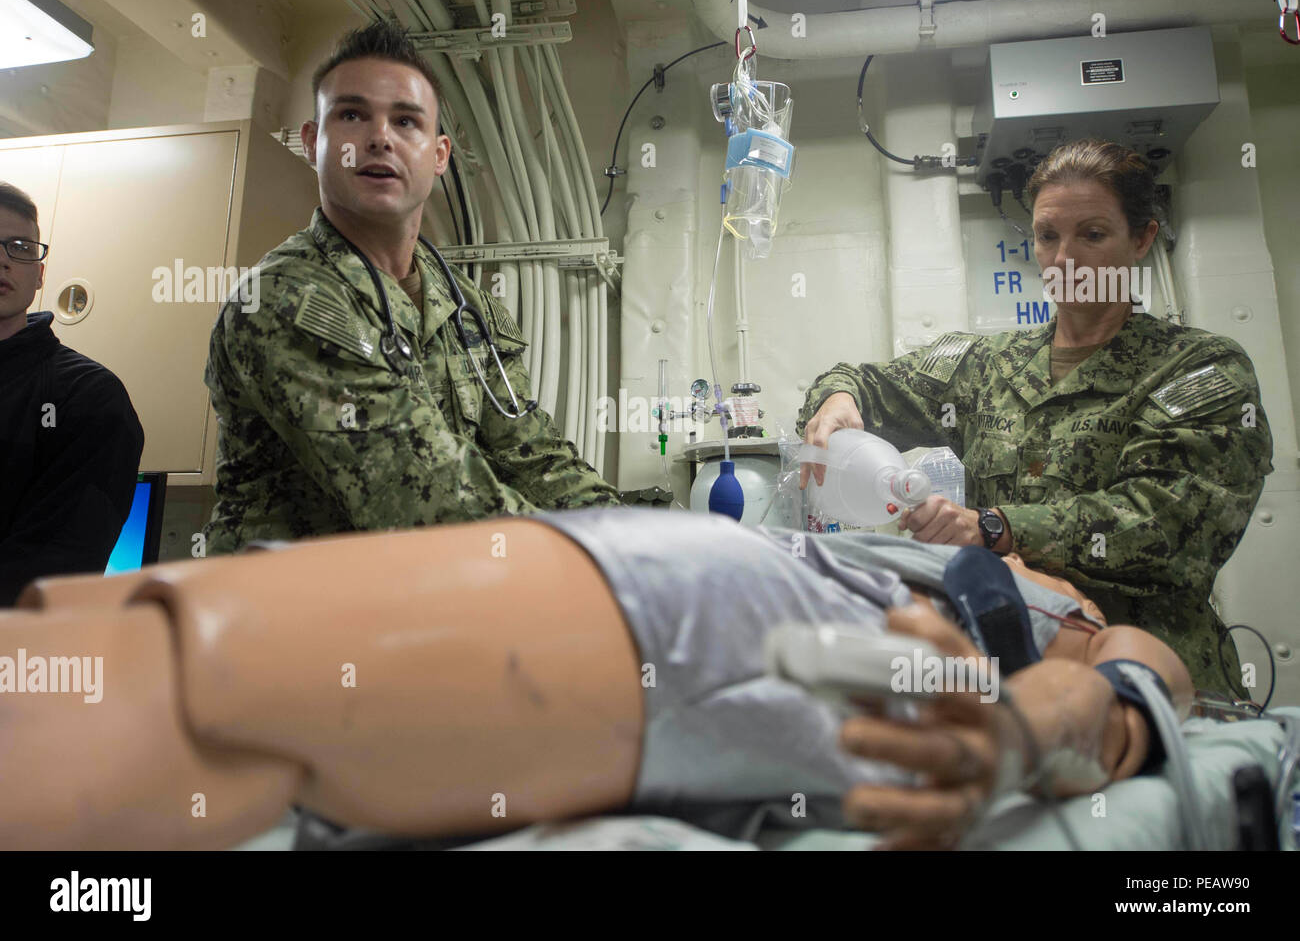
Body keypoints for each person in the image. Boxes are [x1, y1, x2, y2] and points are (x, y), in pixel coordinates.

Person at [2, 508, 1189, 850]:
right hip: (772, 593)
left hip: (841, 639)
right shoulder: (922, 549)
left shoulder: (1059, 613)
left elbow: (1132, 684)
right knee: (115, 645)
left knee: (203, 675)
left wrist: (1026, 728)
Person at [798, 139, 1273, 696]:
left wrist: (994, 527)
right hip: (1017, 680)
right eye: (1048, 235)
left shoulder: (1198, 369)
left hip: (1153, 687)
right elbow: (864, 382)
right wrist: (837, 399)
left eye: (1092, 234)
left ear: (1142, 238)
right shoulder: (988, 364)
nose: (1065, 259)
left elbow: (1172, 528)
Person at [202, 22, 617, 555]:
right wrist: (607, 558)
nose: (380, 137)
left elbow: (534, 458)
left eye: (406, 120)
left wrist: (641, 534)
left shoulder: (470, 310)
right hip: (287, 624)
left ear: (439, 155)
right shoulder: (284, 298)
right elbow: (421, 494)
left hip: (416, 613)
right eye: (352, 115)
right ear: (312, 142)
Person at [0, 183, 144, 606]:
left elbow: (51, 567)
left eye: (20, 247)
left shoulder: (88, 397)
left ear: (39, 273)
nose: (3, 260)